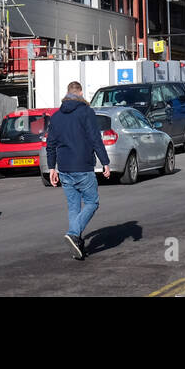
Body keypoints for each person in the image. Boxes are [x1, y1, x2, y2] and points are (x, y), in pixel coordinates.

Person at [46, 80, 110, 260]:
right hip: (83, 166)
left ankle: (77, 243)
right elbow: (95, 138)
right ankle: (74, 234)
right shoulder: (86, 112)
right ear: (80, 93)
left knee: (73, 206)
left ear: (67, 94)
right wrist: (105, 162)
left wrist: (52, 168)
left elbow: (50, 144)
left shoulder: (57, 116)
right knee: (92, 202)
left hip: (64, 167)